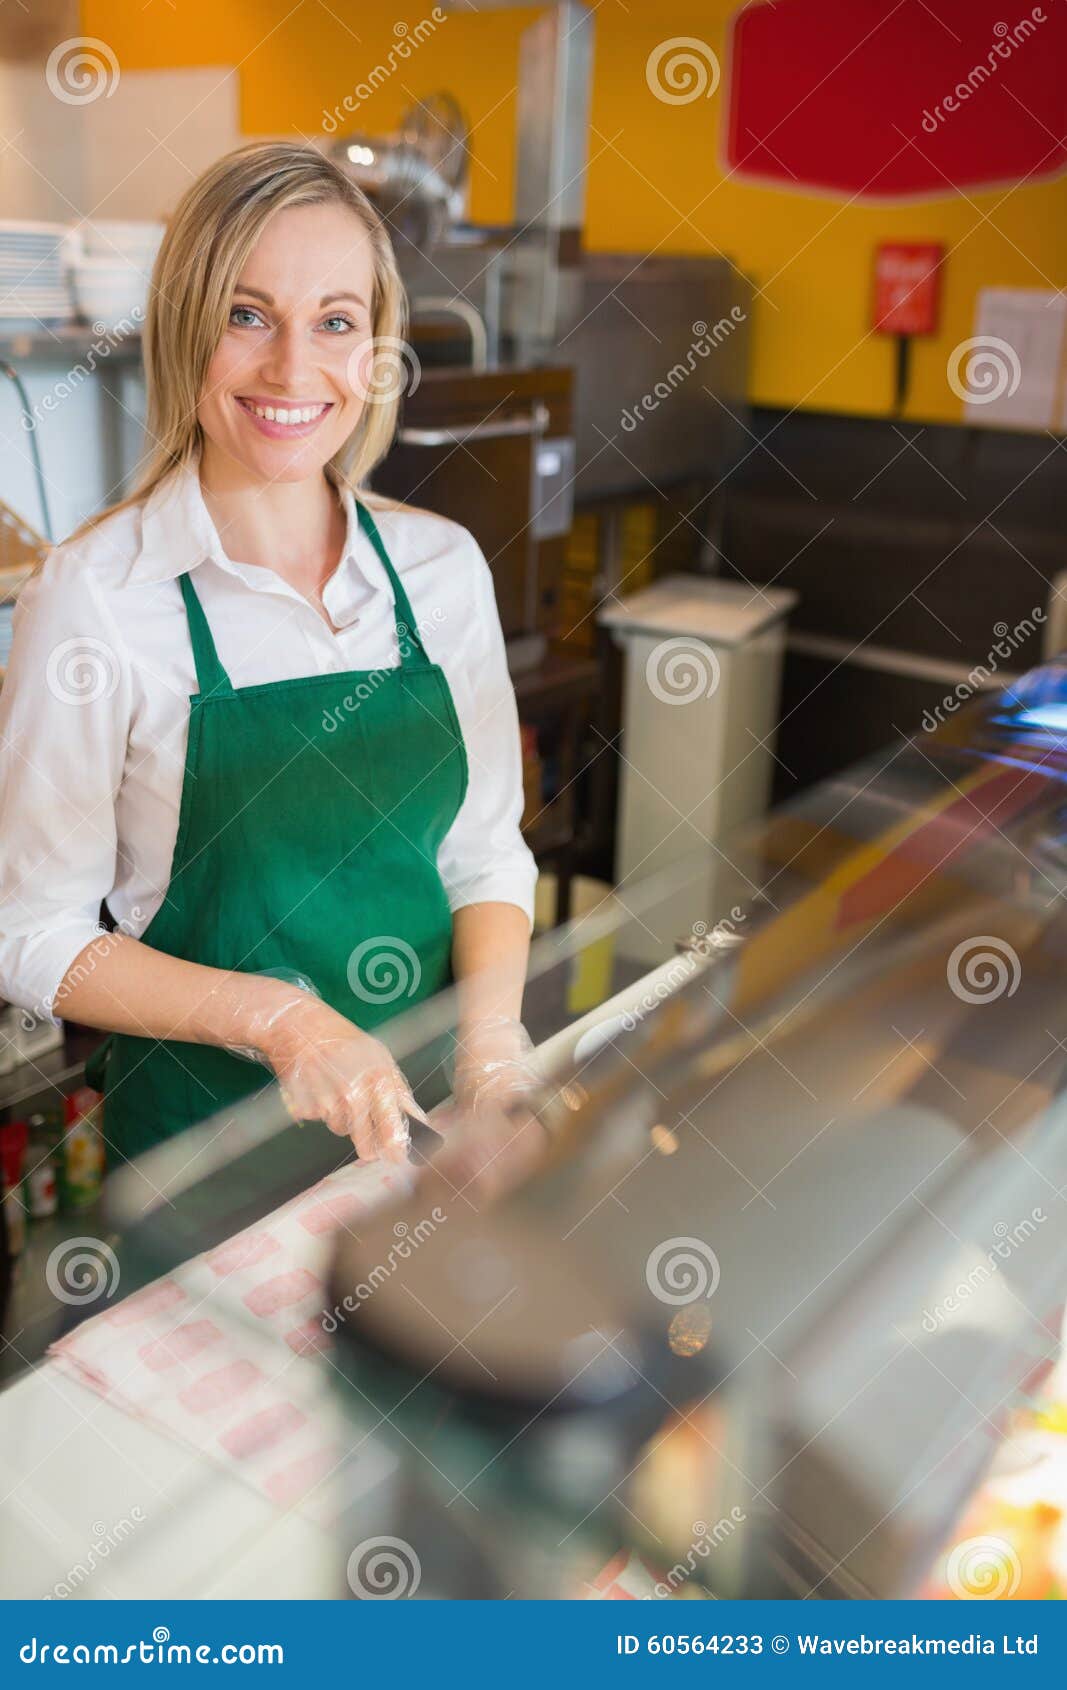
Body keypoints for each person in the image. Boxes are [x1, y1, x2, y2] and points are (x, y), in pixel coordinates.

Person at [0, 142, 540, 1168]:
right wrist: (280, 1022)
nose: (294, 369)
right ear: (184, 328)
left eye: (334, 321)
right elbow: (28, 931)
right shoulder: (97, 596)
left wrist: (489, 1051)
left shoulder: (441, 568)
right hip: (198, 1168)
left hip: (419, 1138)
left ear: (374, 349)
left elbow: (481, 853)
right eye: (248, 316)